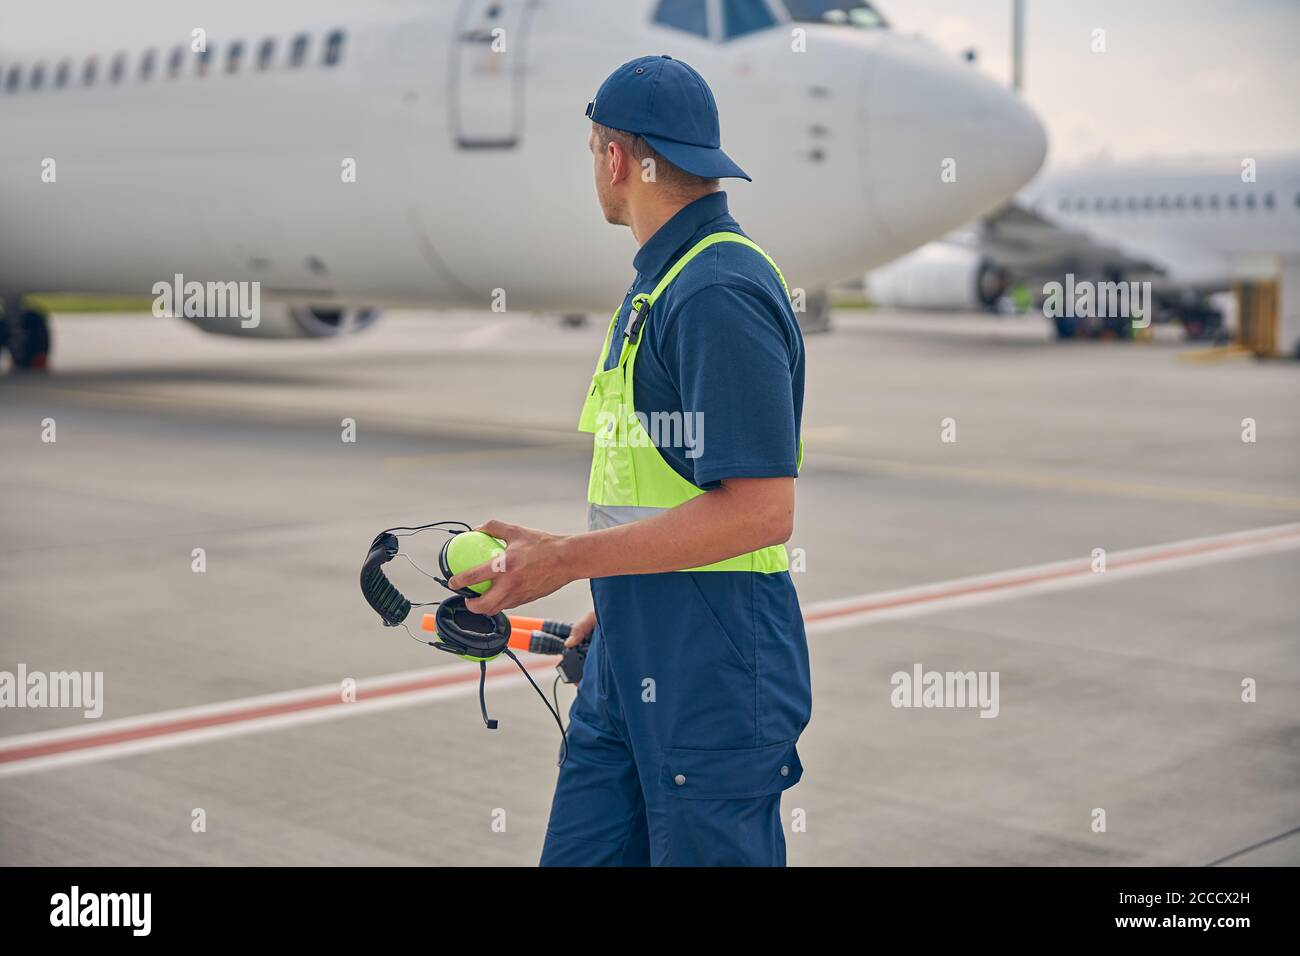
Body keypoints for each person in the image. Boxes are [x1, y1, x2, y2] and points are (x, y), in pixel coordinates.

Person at [448, 54, 811, 867]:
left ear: (617, 159)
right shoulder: (665, 282)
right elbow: (661, 495)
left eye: (592, 153)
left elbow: (760, 512)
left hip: (710, 672)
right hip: (634, 646)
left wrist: (567, 561)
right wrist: (614, 601)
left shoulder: (716, 290)